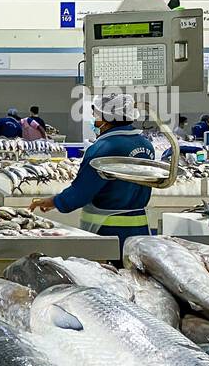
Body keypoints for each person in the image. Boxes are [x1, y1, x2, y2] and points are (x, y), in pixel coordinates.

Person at [30, 93, 152, 253]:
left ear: (107, 118)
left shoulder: (103, 148)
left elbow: (82, 191)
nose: (94, 120)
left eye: (96, 115)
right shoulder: (145, 144)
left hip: (107, 231)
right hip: (140, 231)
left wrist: (55, 201)